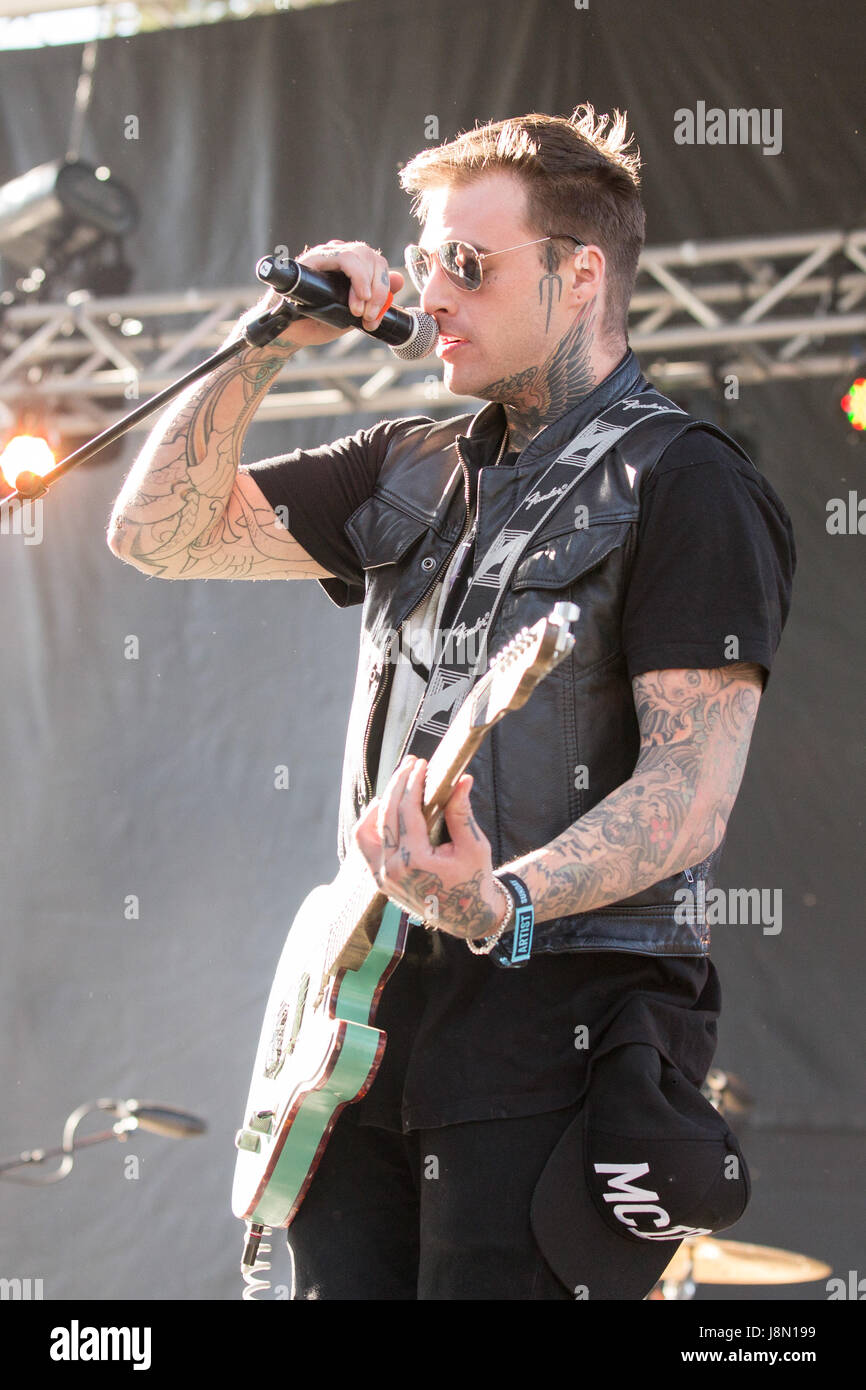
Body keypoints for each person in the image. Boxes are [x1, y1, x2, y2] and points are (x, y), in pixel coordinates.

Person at [106, 106, 795, 1300]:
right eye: (425, 260)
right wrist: (272, 332)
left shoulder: (685, 480)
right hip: (368, 1012)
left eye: (467, 266)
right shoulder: (406, 465)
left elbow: (689, 792)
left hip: (559, 1011)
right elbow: (152, 533)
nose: (431, 294)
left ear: (580, 275)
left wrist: (504, 896)